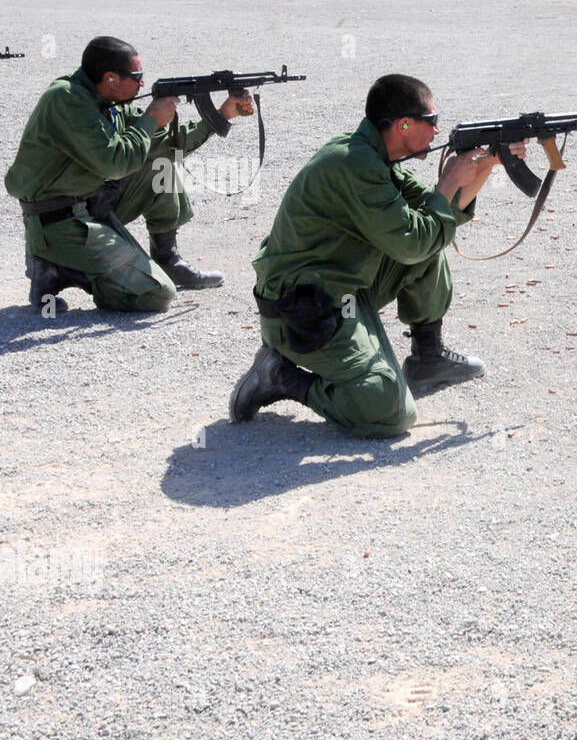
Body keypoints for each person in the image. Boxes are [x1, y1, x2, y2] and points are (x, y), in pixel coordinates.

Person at [228, 73, 522, 438]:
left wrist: (488, 163)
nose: (437, 130)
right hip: (305, 311)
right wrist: (448, 182)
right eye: (431, 120)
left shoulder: (373, 156)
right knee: (391, 413)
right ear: (403, 125)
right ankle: (282, 377)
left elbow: (434, 213)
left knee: (429, 243)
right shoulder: (355, 163)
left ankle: (428, 358)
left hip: (342, 289)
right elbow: (416, 238)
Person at [6, 35, 255, 313]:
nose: (142, 84)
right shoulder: (67, 100)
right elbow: (114, 163)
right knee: (156, 294)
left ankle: (167, 259)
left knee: (160, 164)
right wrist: (150, 120)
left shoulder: (108, 99)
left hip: (93, 203)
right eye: (137, 77)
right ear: (111, 78)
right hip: (60, 222)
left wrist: (222, 114)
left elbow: (166, 145)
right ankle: (56, 268)